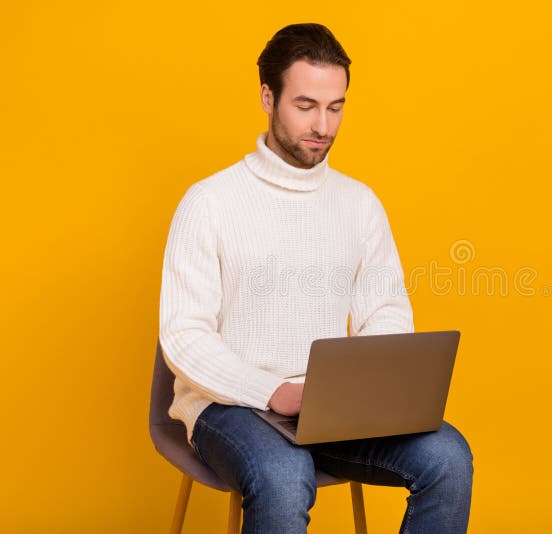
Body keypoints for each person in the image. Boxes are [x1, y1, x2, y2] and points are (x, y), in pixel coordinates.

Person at [158, 23, 473, 533]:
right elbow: (184, 336)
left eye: (336, 107)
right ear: (268, 97)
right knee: (284, 474)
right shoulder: (209, 203)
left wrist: (365, 391)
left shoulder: (359, 204)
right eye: (305, 105)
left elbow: (386, 313)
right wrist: (272, 390)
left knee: (449, 458)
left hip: (333, 408)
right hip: (229, 404)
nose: (322, 126)